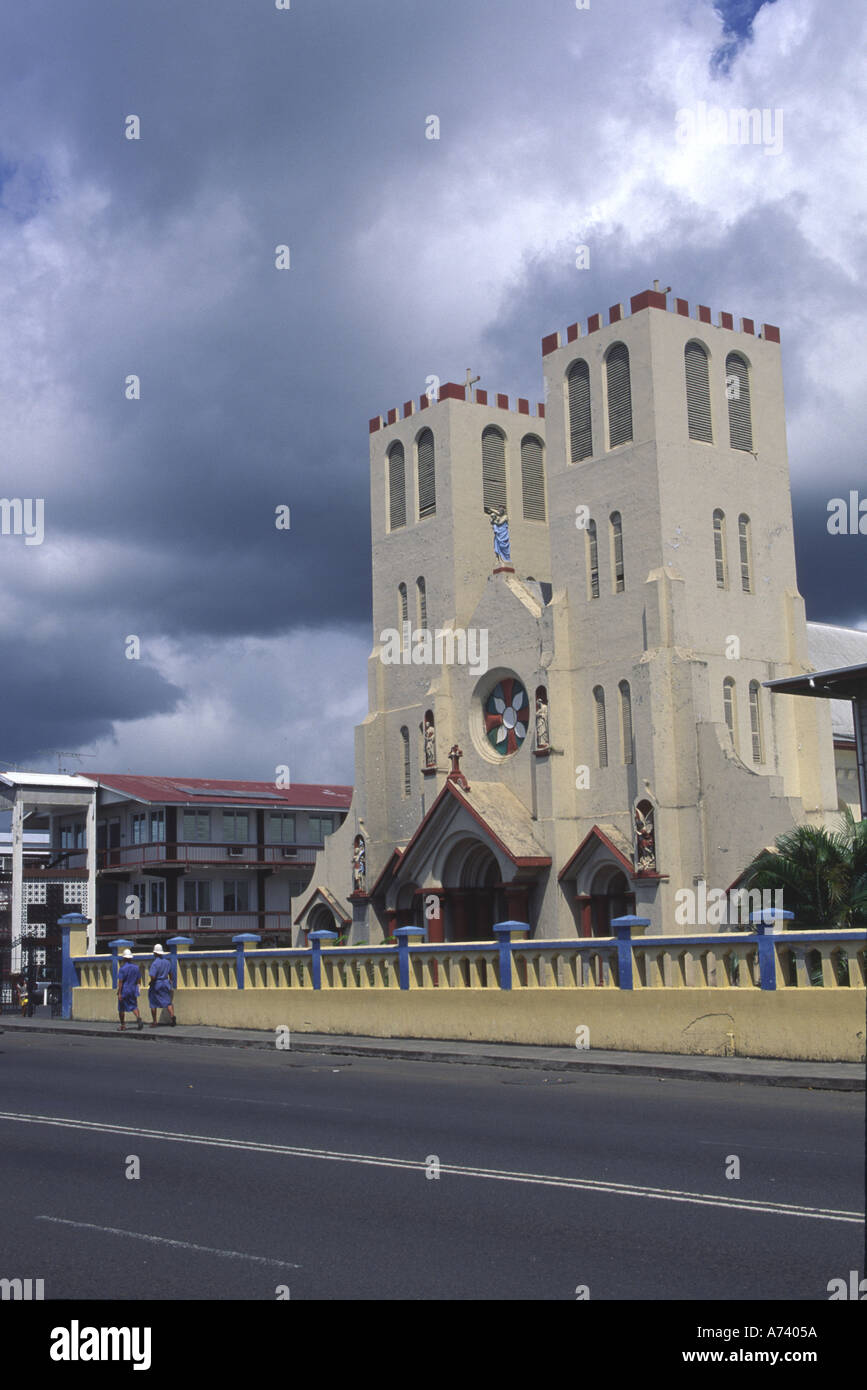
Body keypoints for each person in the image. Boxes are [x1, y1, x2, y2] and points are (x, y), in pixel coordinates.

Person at [148, 944, 176, 1026]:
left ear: (155, 953)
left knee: (153, 1003)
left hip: (157, 983)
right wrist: (170, 981)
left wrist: (151, 982)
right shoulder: (167, 962)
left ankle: (154, 1021)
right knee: (168, 1002)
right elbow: (171, 973)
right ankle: (172, 1016)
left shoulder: (155, 963)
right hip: (165, 982)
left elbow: (153, 976)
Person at [117, 948, 144, 1032]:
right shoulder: (136, 968)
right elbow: (139, 979)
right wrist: (138, 987)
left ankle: (123, 1025)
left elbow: (120, 982)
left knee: (121, 1008)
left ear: (124, 958)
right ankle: (138, 1018)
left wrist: (119, 993)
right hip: (132, 989)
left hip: (125, 990)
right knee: (134, 1006)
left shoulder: (122, 969)